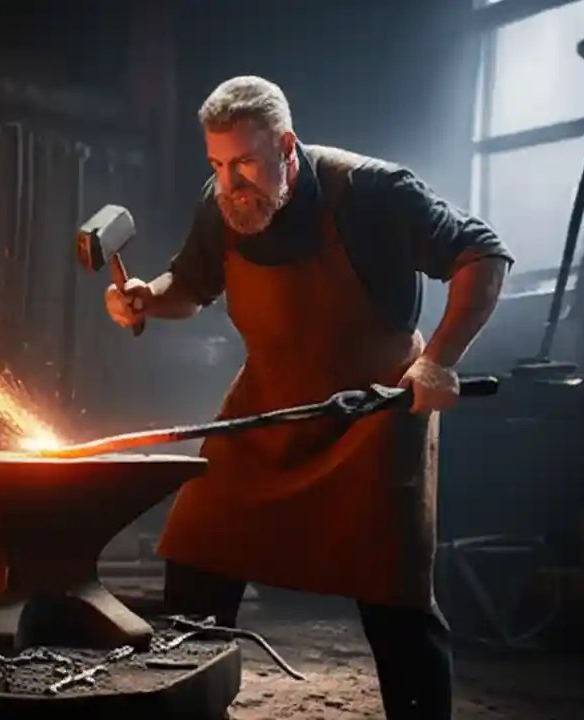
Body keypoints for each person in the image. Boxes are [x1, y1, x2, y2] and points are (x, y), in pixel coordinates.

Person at [104, 76, 513, 719]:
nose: (230, 183)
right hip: (267, 408)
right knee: (196, 555)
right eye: (216, 164)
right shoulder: (223, 205)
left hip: (375, 414)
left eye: (244, 163)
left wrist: (438, 360)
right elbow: (190, 284)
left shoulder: (373, 192)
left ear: (287, 146)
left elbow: (483, 254)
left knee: (395, 600)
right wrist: (147, 300)